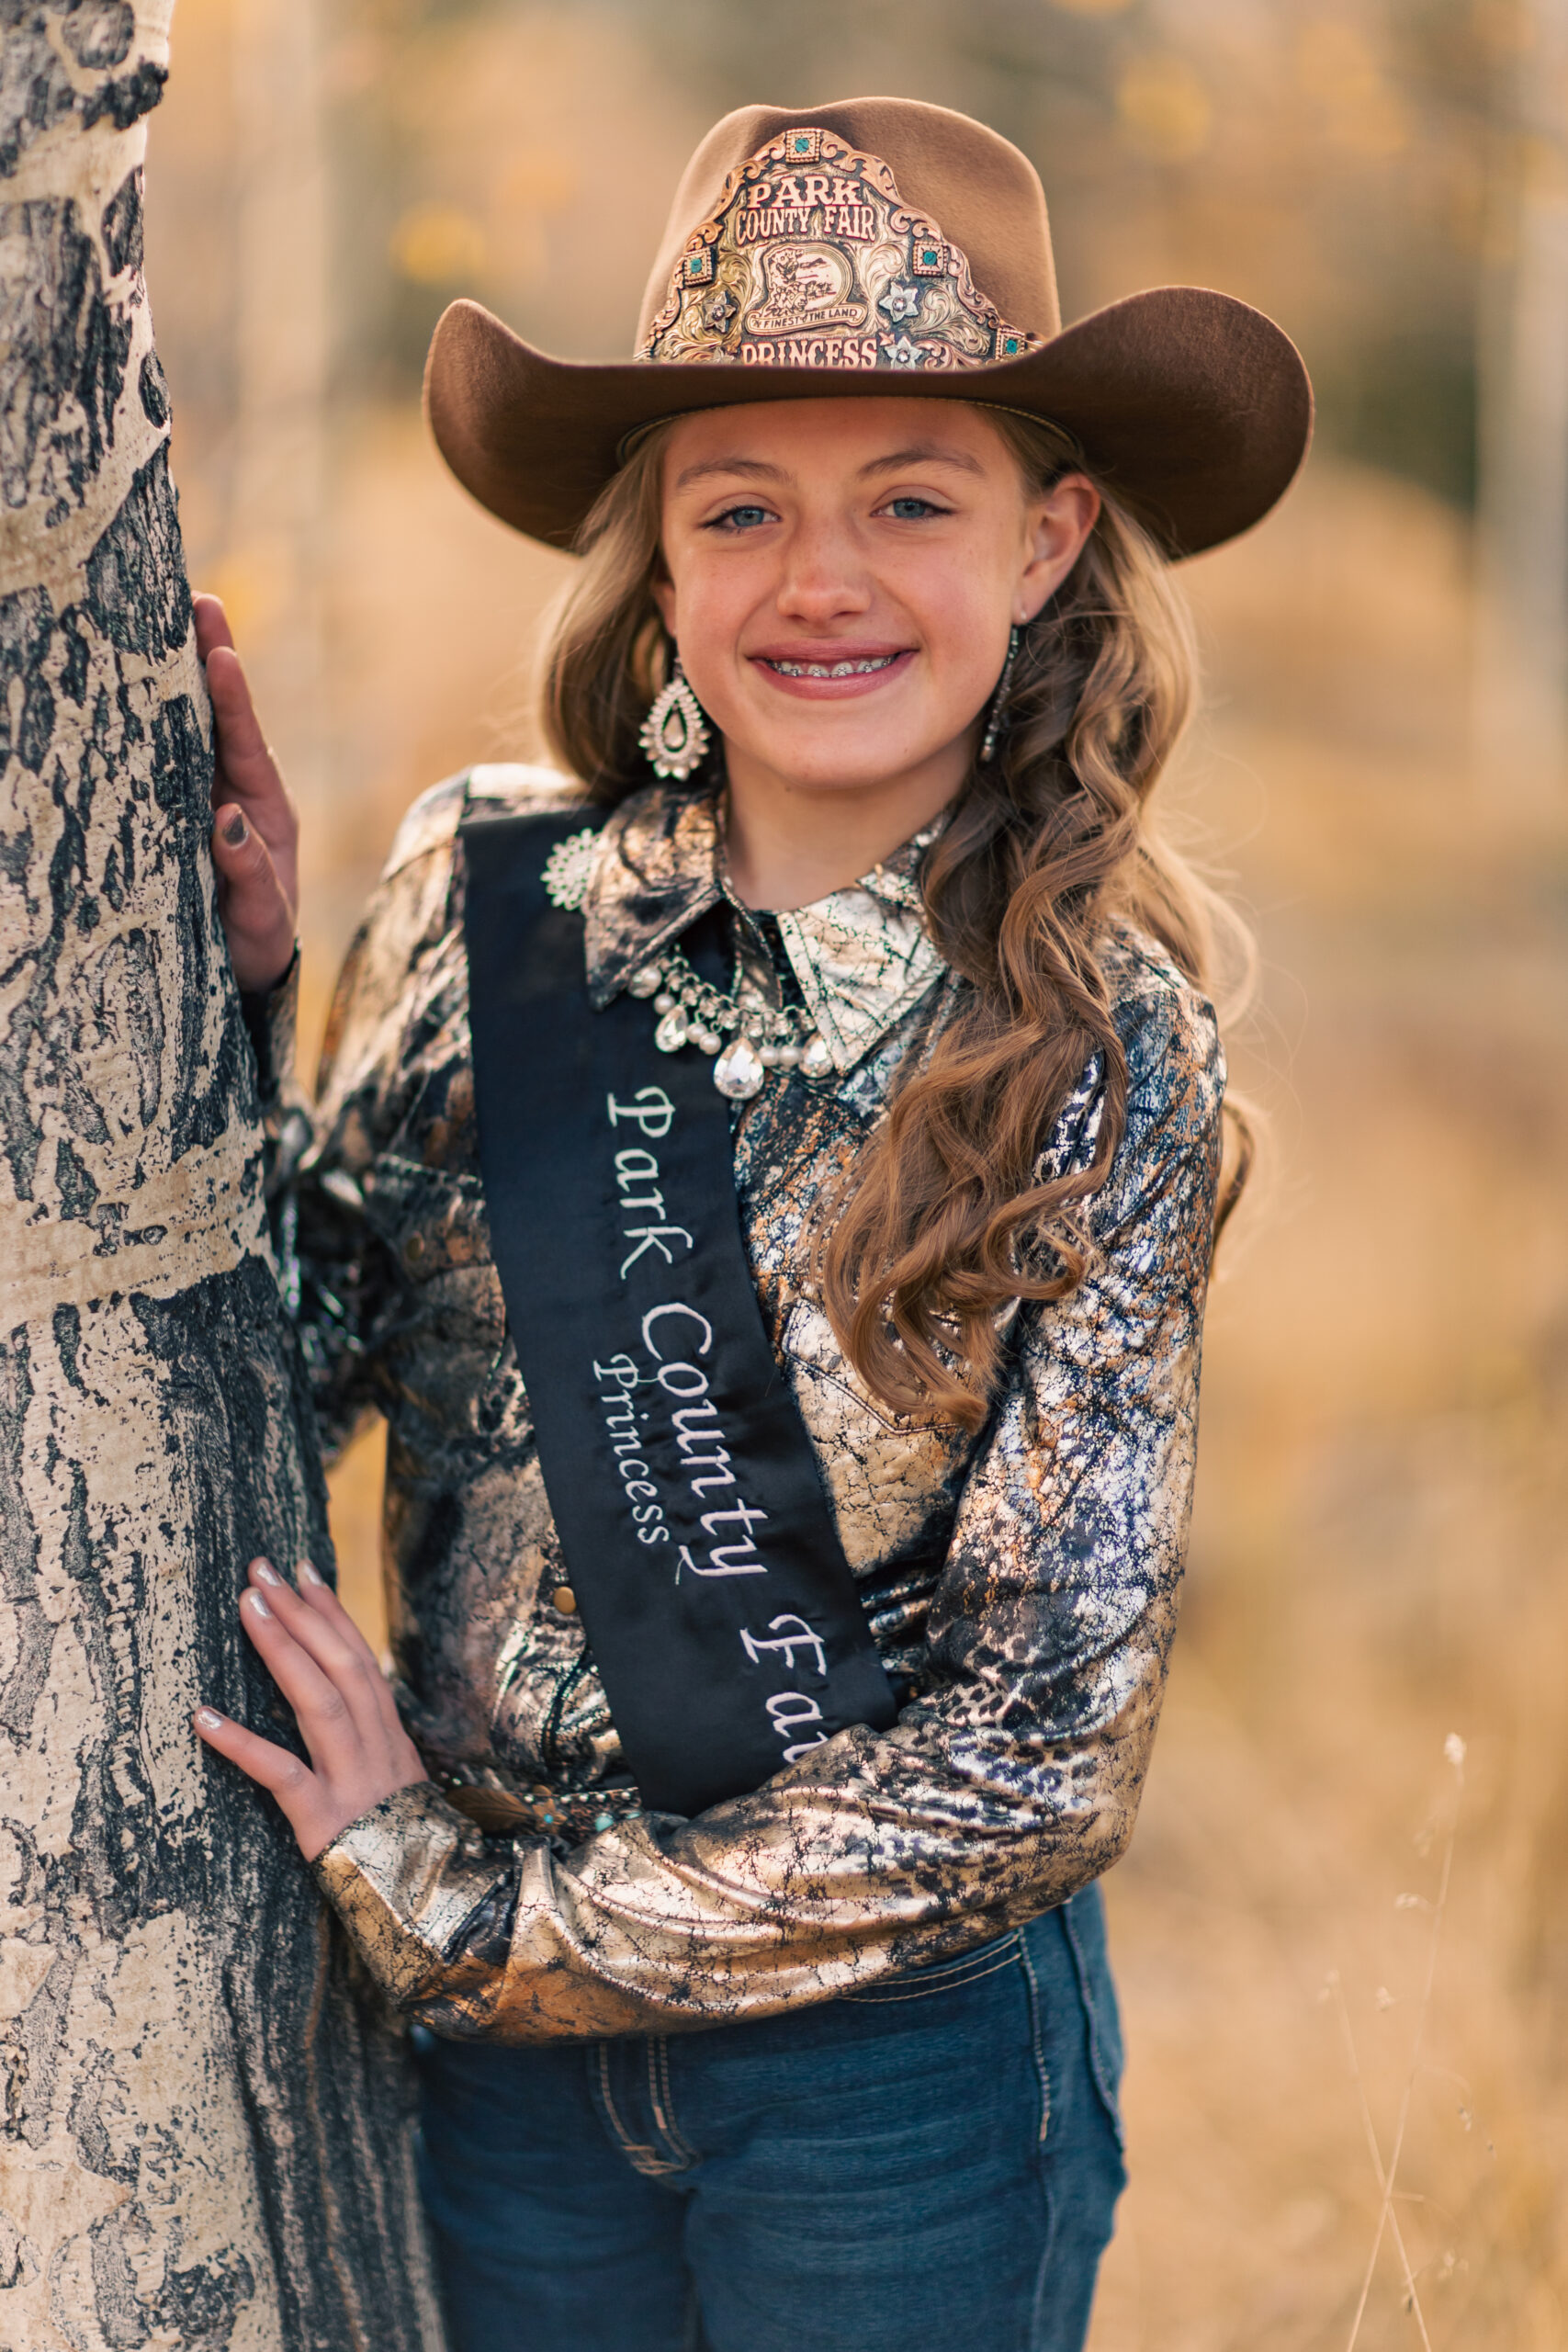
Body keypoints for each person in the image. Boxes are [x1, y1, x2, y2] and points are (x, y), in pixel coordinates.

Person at [192, 97, 1310, 2352]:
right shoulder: (490, 902)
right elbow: (277, 1371)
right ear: (659, 563)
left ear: (1046, 542)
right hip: (501, 2093)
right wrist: (224, 1007)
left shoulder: (1099, 1049)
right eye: (740, 509)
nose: (821, 577)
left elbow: (1036, 1751)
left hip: (884, 2085)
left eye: (909, 499)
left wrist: (465, 1915)